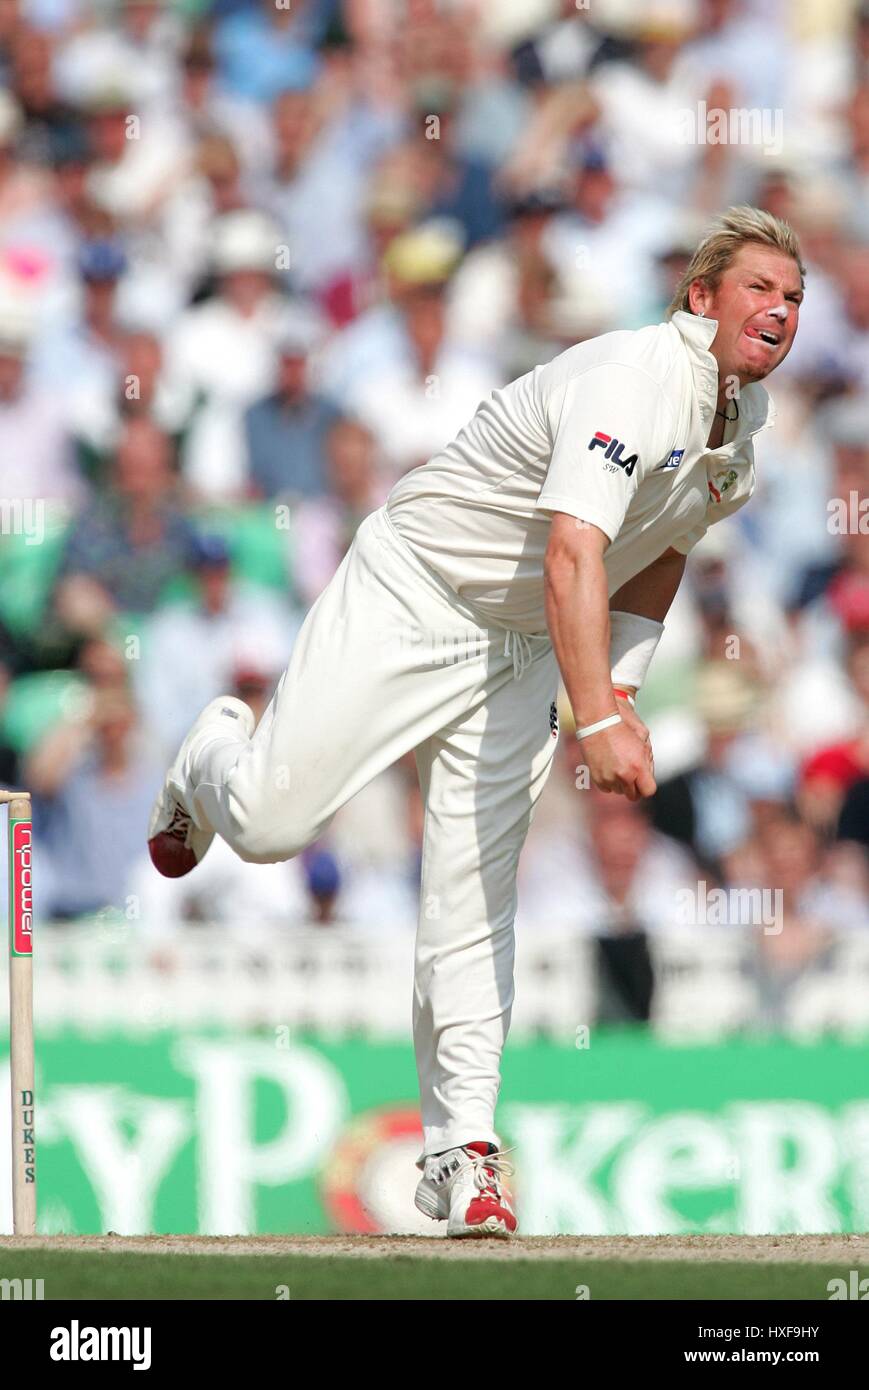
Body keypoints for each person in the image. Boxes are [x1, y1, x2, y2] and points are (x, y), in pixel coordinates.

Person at [148, 206, 805, 1237]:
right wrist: (596, 720)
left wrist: (618, 690)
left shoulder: (744, 428)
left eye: (794, 297)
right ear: (698, 297)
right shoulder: (632, 378)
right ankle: (211, 747)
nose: (779, 308)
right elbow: (571, 551)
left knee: (470, 894)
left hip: (524, 645)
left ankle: (462, 1156)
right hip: (416, 591)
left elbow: (666, 544)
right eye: (758, 287)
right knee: (270, 827)